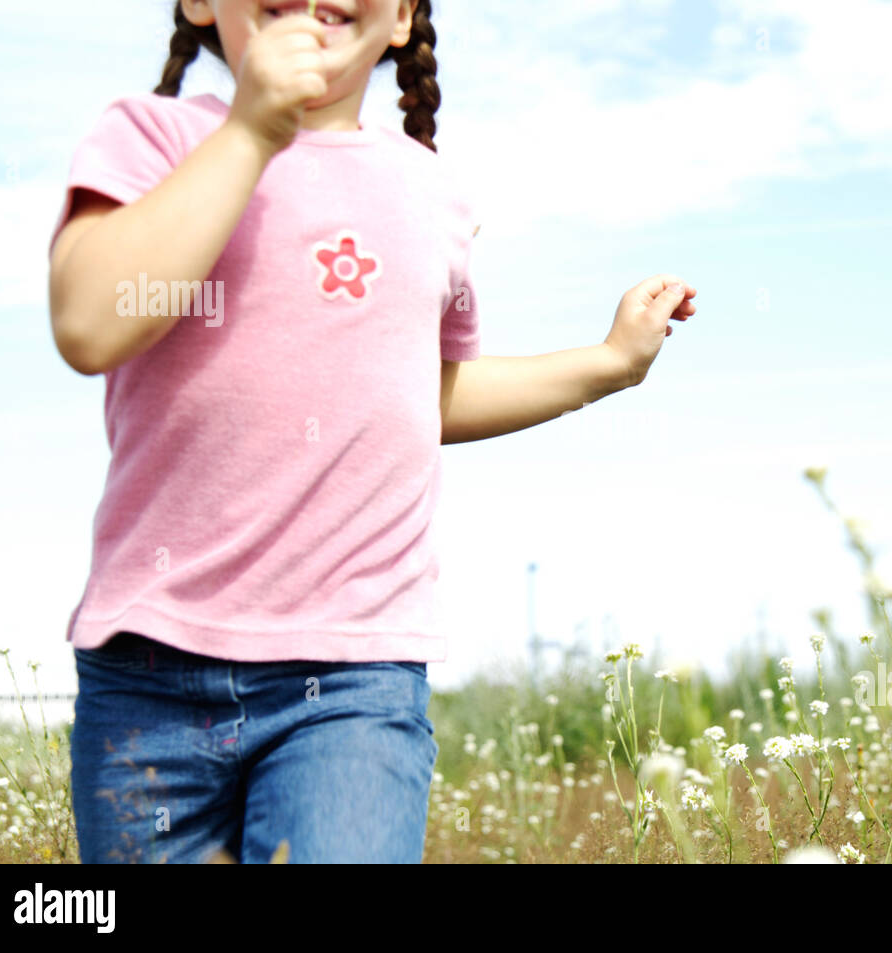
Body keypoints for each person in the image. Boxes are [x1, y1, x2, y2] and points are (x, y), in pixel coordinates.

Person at [47, 0, 697, 863]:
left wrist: (606, 364)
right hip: (149, 669)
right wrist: (250, 130)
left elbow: (419, 394)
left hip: (353, 676)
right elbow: (90, 322)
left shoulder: (431, 192)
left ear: (401, 18)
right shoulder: (153, 136)